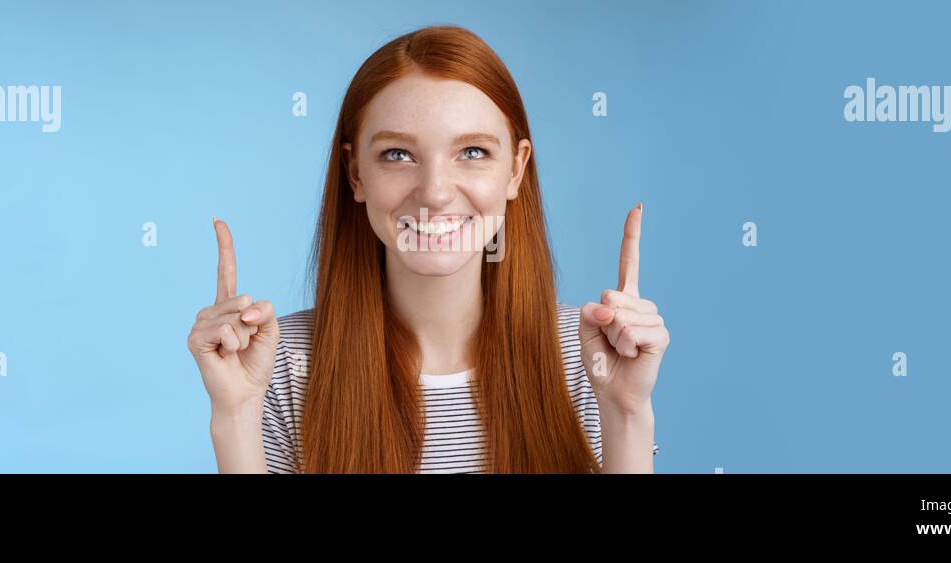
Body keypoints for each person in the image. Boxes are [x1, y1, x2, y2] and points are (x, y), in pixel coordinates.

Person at [187, 25, 668, 473]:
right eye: (398, 155)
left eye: (472, 152)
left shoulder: (586, 355)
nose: (435, 191)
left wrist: (626, 413)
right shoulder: (280, 364)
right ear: (356, 174)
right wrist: (235, 415)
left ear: (516, 170)